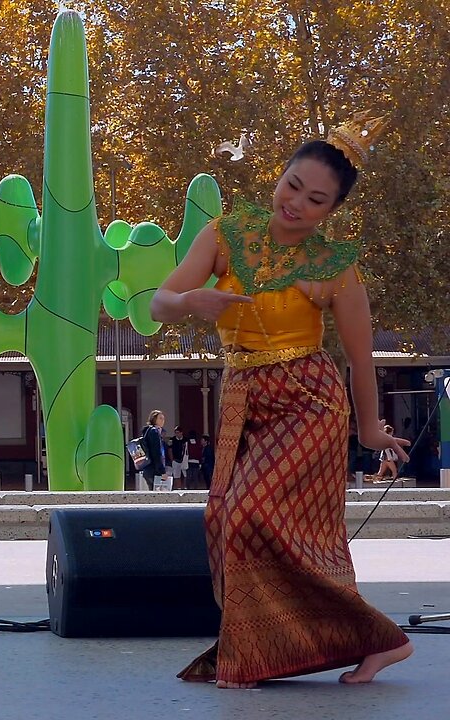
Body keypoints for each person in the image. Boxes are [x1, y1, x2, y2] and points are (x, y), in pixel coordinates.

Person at [152, 113, 413, 689]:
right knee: (222, 518)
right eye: (293, 185)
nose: (295, 203)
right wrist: (194, 301)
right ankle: (368, 643)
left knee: (248, 513)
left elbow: (360, 358)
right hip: (243, 397)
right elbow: (158, 304)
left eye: (315, 199)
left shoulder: (334, 268)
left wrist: (369, 431)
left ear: (331, 210)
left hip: (309, 402)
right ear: (283, 174)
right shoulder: (225, 234)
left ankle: (297, 650)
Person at [140, 410, 168, 491]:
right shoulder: (154, 432)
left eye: (163, 418)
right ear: (154, 419)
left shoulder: (149, 431)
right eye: (160, 418)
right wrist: (162, 471)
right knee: (156, 493)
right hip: (153, 469)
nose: (163, 420)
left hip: (148, 467)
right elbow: (156, 453)